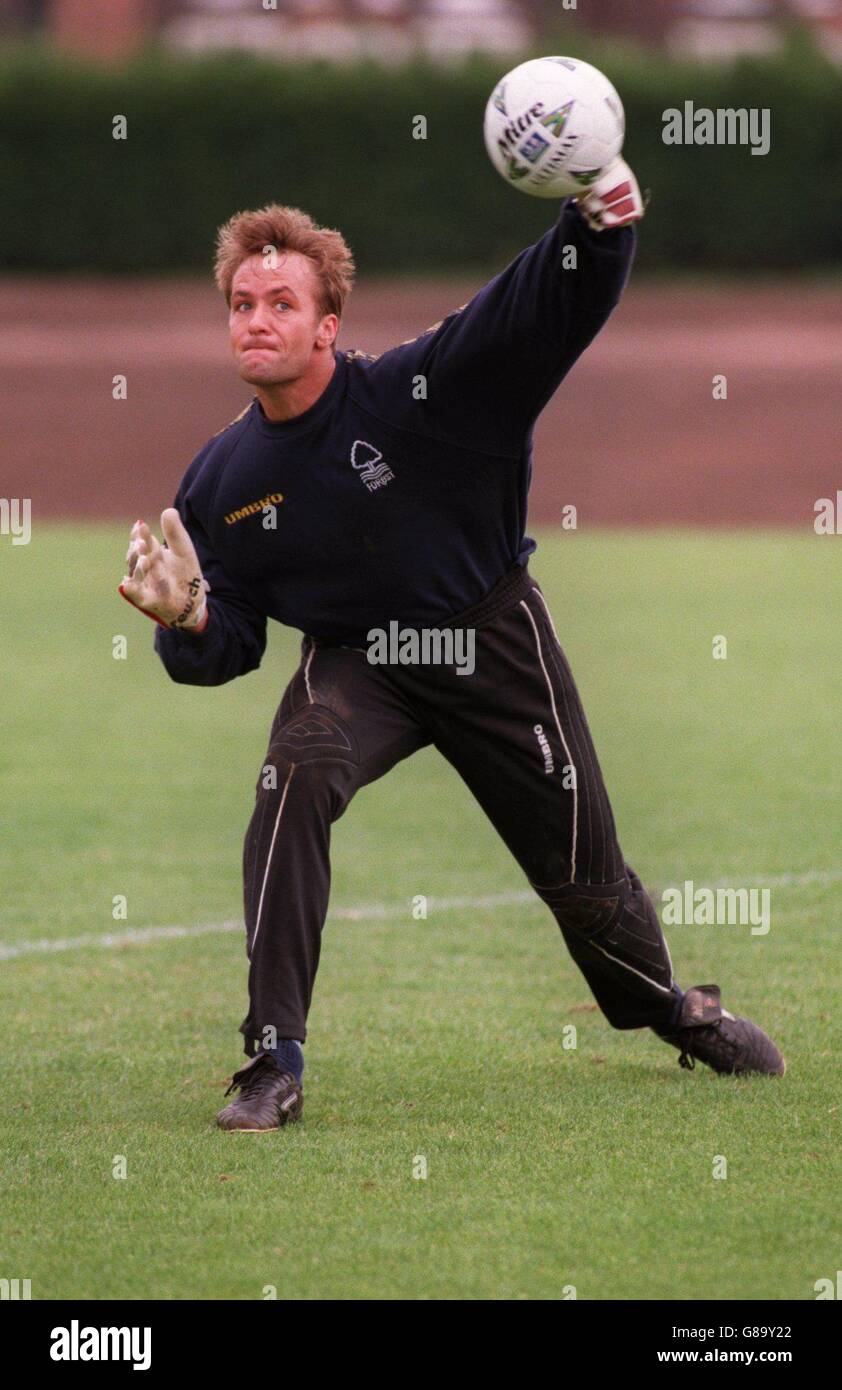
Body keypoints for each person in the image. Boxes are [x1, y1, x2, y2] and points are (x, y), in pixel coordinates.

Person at [119, 161, 784, 1132]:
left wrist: (596, 223)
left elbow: (532, 309)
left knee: (587, 889)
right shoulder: (222, 479)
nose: (255, 318)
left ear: (326, 325)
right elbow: (231, 646)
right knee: (292, 775)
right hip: (359, 664)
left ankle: (667, 1008)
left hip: (490, 642)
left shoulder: (418, 393)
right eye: (240, 302)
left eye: (280, 301)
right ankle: (272, 1061)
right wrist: (184, 624)